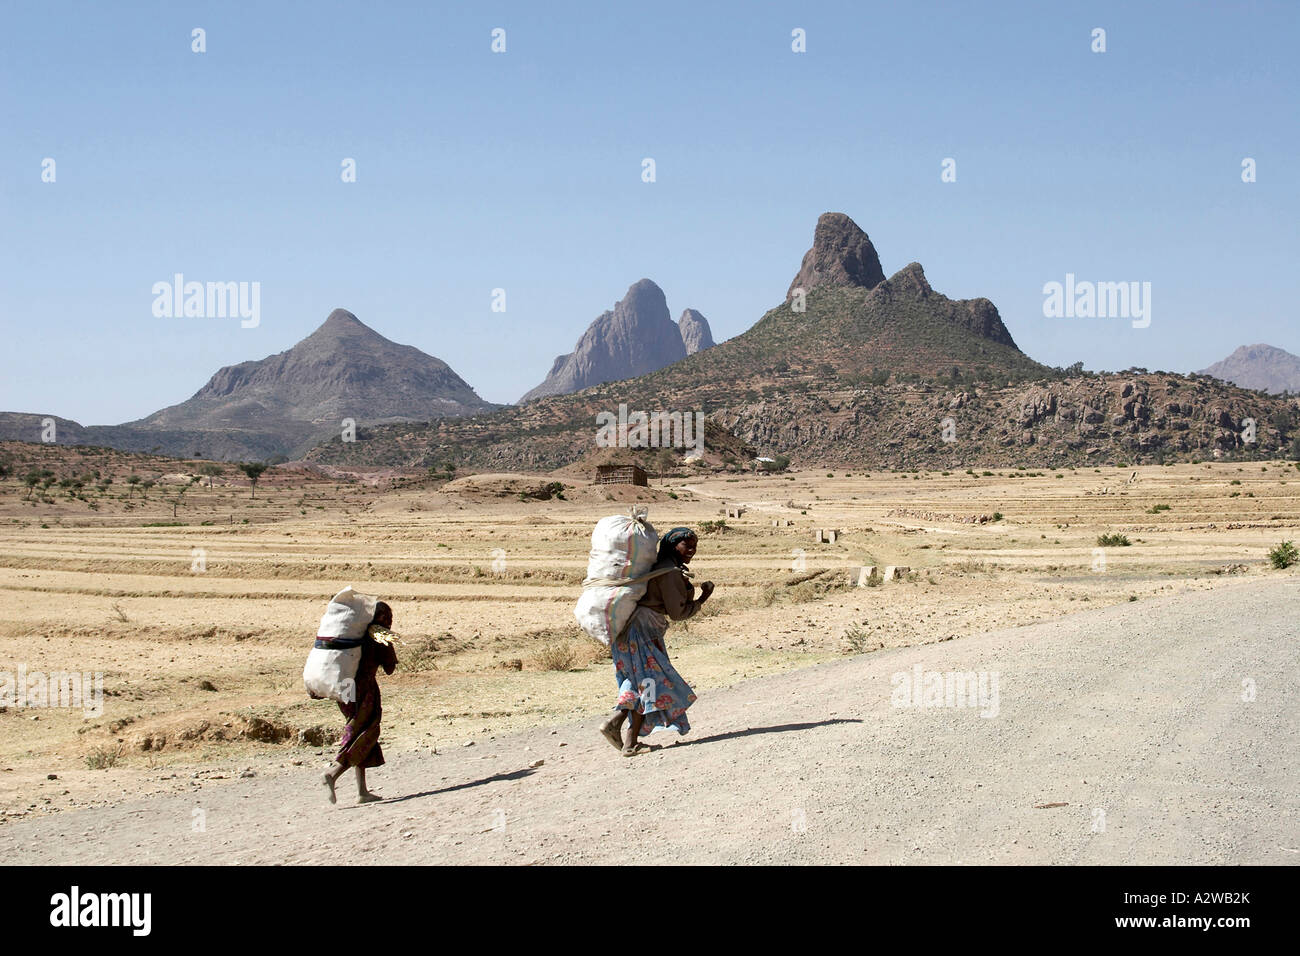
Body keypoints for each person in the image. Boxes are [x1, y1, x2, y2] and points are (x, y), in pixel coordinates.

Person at [599, 527, 713, 756]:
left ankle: (618, 727)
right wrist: (703, 598)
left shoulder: (662, 568)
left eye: (695, 545)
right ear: (672, 546)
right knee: (648, 682)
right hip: (643, 631)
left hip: (630, 630)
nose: (692, 550)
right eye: (687, 545)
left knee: (639, 680)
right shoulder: (669, 573)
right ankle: (628, 741)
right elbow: (678, 613)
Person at [322, 601, 398, 804]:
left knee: (357, 730)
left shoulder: (356, 632)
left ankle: (362, 791)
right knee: (366, 732)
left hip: (345, 688)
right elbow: (390, 668)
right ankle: (334, 772)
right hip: (365, 689)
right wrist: (387, 643)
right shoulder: (378, 635)